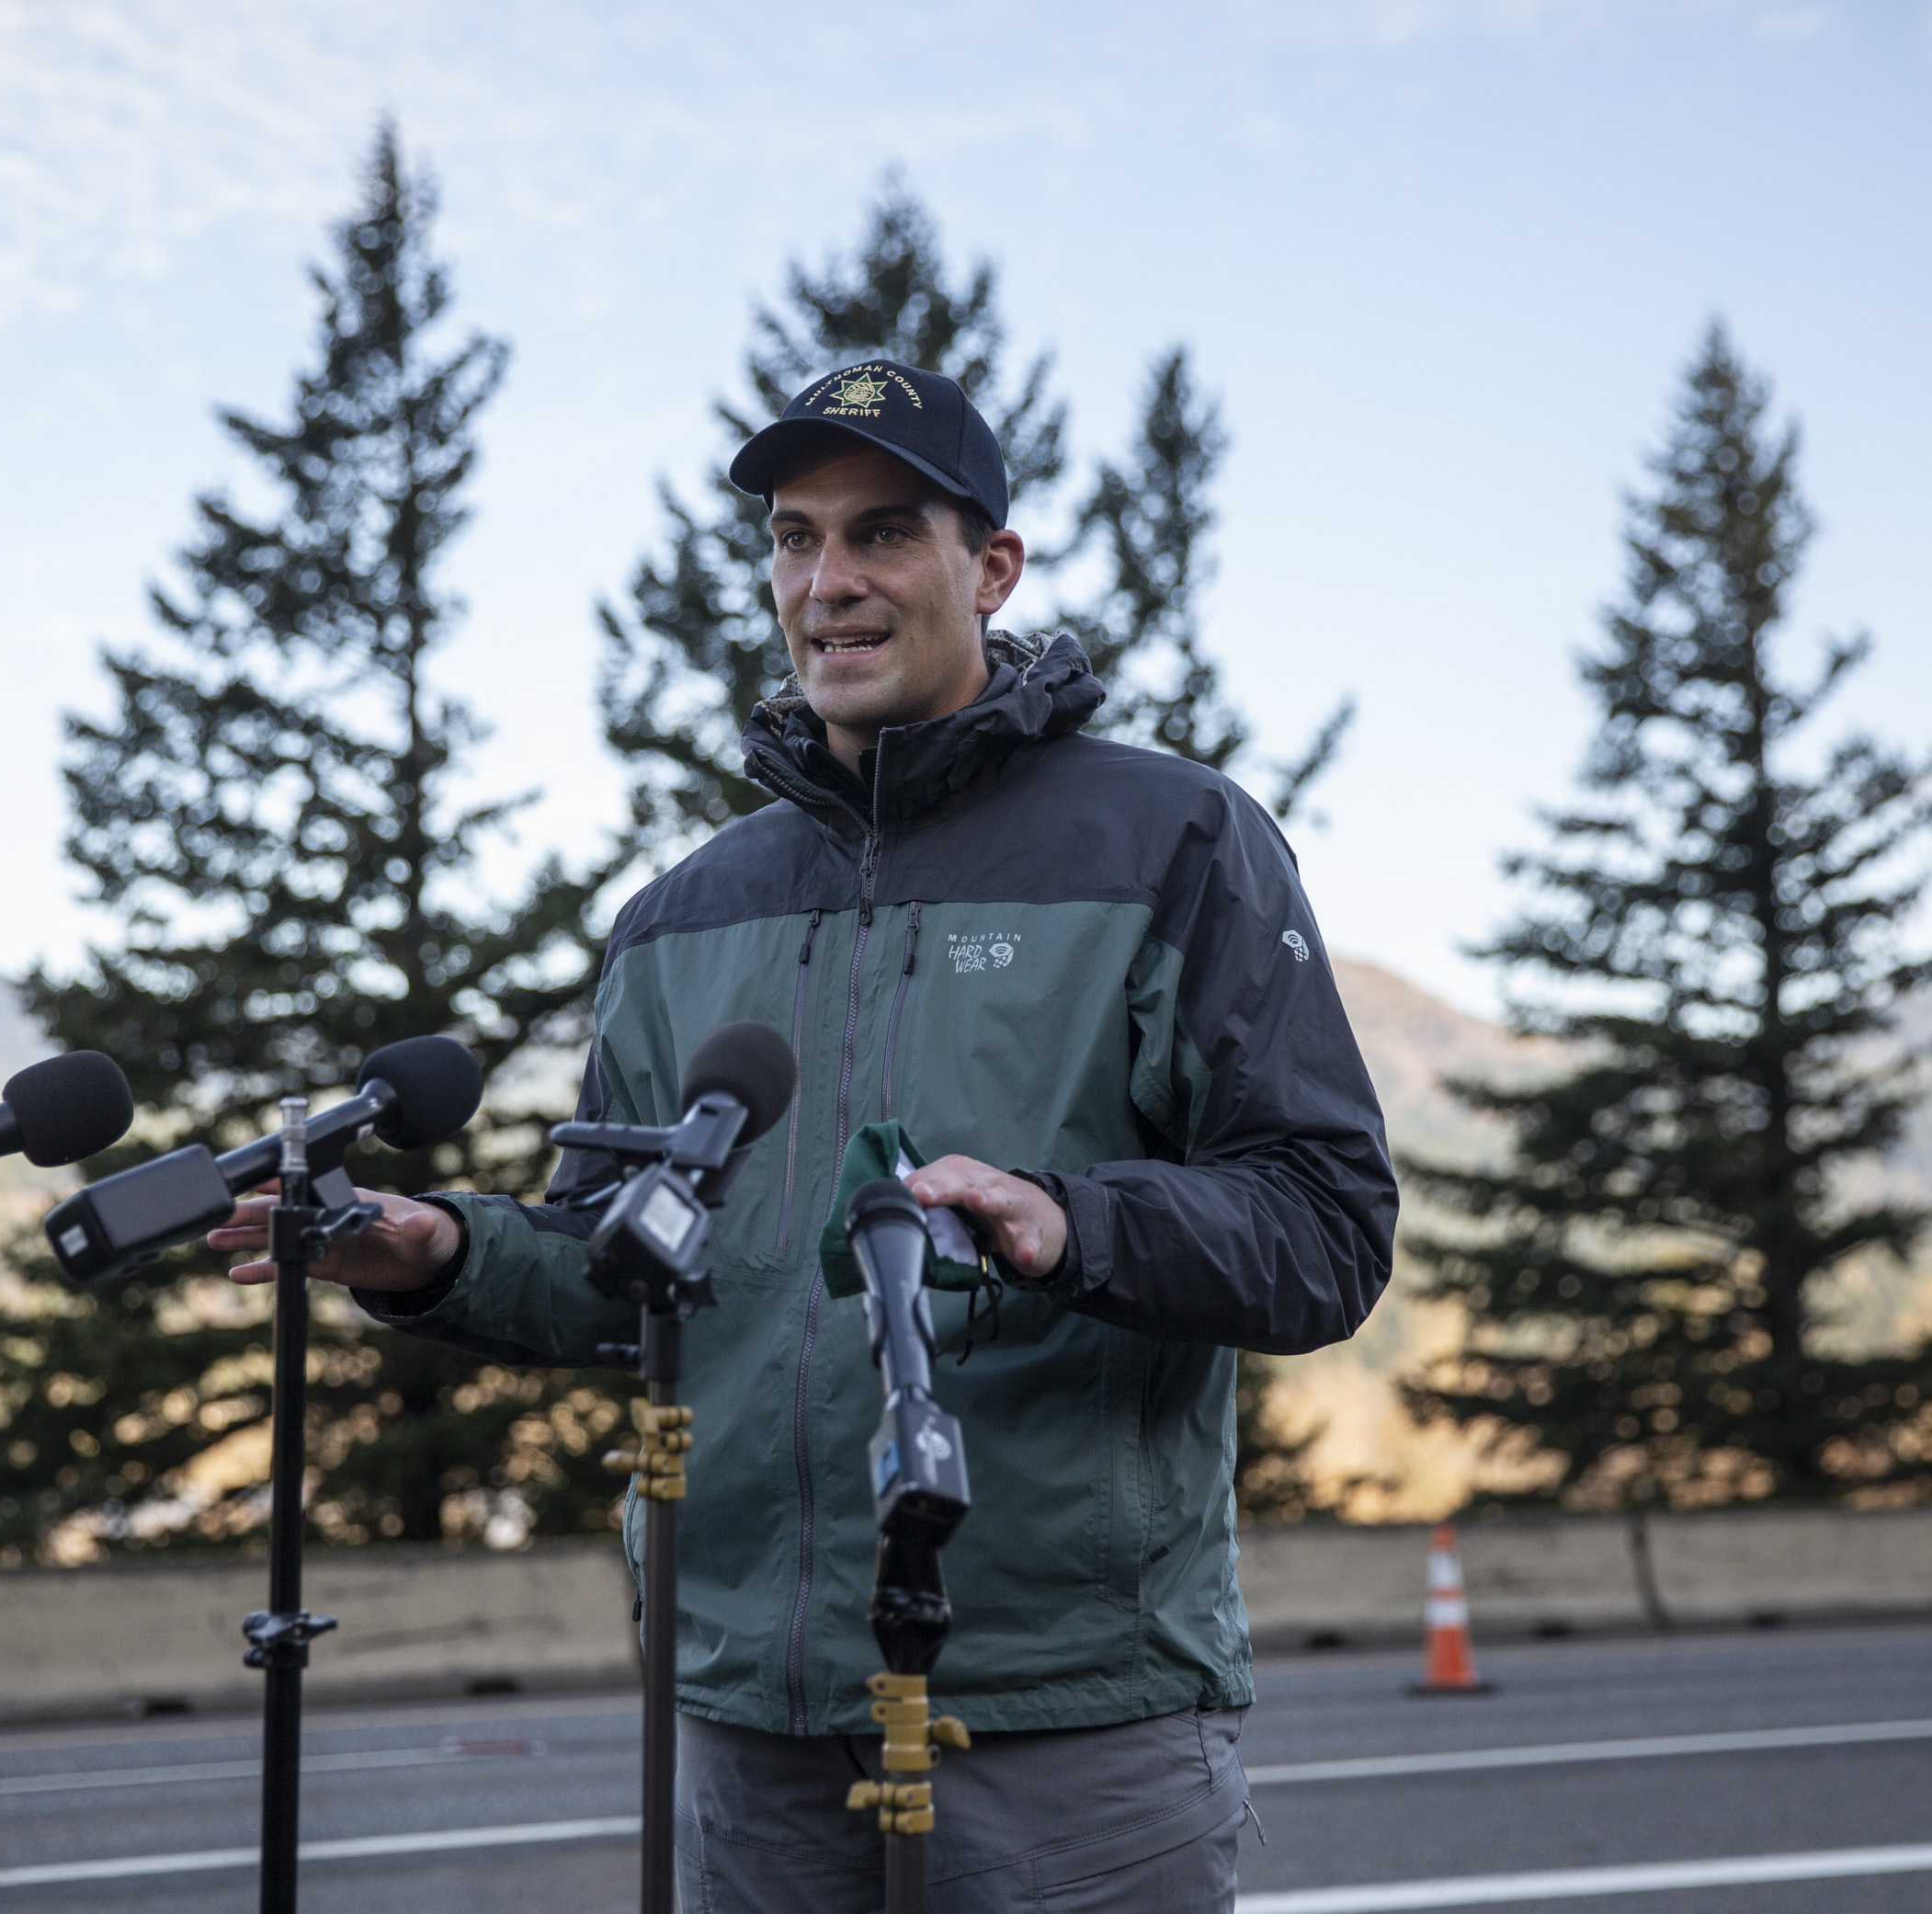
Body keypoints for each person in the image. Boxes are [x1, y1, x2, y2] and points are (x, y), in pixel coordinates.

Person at [210, 359, 1396, 1911]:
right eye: (793, 537)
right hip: (744, 1724)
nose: (826, 581)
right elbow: (620, 1267)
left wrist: (1070, 1222)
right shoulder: (679, 917)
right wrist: (435, 1253)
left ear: (992, 567)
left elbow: (1325, 1224)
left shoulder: (1174, 841)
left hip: (1068, 1712)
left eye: (884, 532)